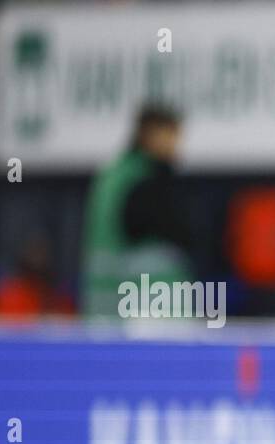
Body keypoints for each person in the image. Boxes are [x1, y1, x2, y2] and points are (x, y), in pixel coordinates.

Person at [81, 104, 193, 317]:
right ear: (151, 134)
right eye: (171, 136)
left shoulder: (114, 173)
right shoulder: (138, 179)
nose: (176, 145)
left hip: (112, 297)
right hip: (127, 295)